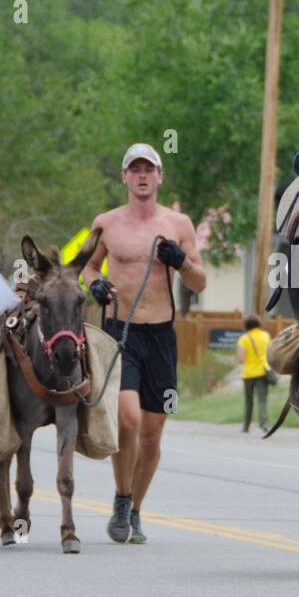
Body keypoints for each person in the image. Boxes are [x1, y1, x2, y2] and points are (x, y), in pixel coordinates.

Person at [83, 143, 206, 544]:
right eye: (133, 168)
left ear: (159, 176)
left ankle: (134, 510)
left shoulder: (179, 224)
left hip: (162, 338)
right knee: (128, 418)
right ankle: (121, 498)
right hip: (121, 333)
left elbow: (199, 281)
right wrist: (95, 283)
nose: (141, 175)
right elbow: (85, 265)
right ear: (123, 177)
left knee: (153, 431)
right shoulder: (106, 222)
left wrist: (181, 261)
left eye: (148, 169)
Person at [237, 315, 271, 432]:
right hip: (262, 371)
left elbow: (241, 358)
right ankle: (264, 423)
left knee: (249, 400)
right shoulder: (266, 336)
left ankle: (246, 426)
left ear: (246, 325)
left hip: (248, 373)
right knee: (262, 399)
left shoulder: (244, 339)